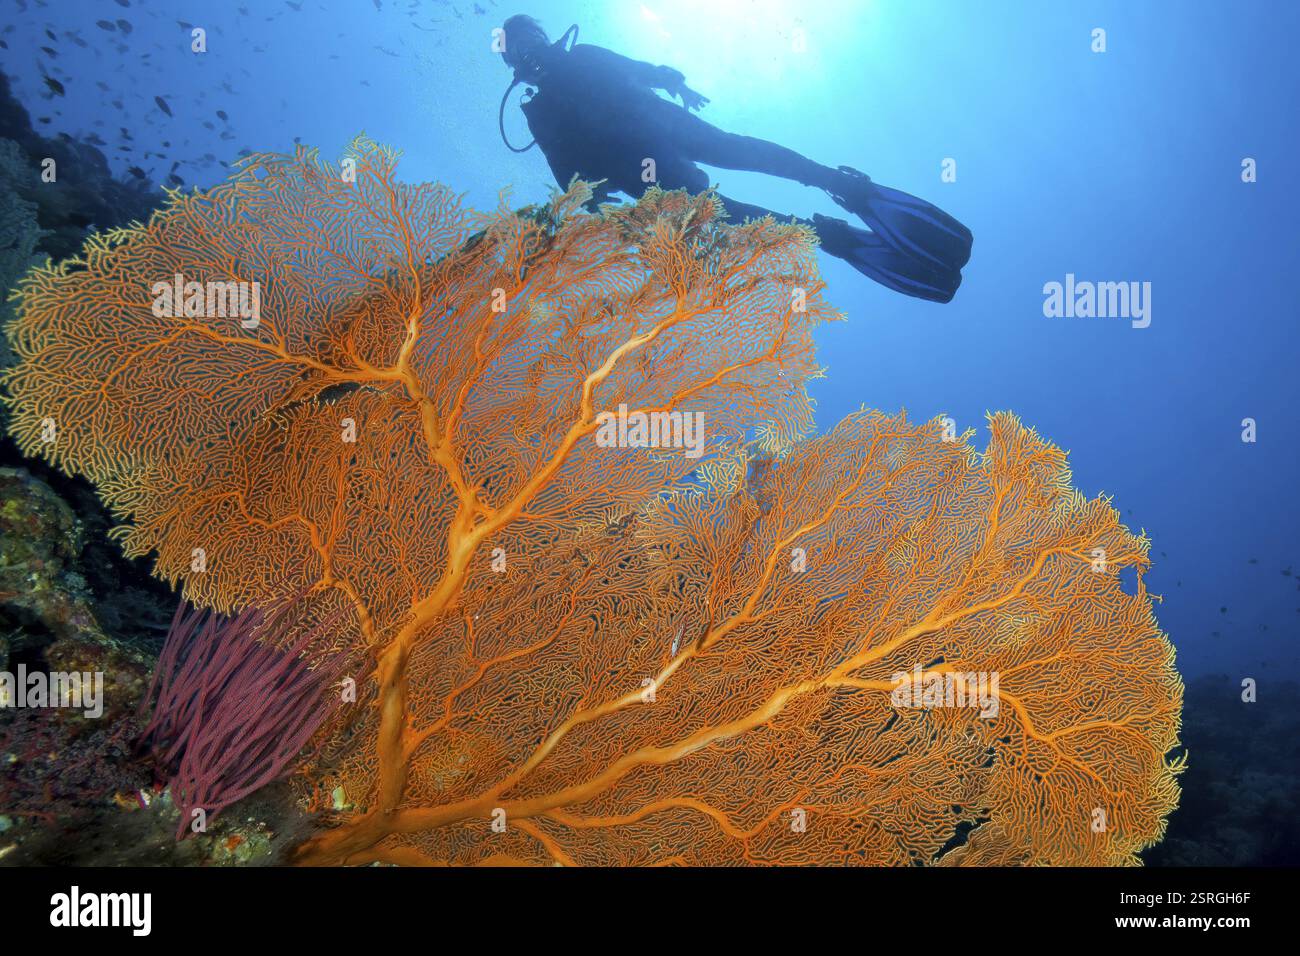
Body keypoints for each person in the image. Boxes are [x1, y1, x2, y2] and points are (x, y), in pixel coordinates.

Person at [497, 15, 973, 303]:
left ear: (542, 37)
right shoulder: (537, 111)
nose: (528, 50)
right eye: (517, 49)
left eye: (530, 38)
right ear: (513, 65)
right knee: (724, 214)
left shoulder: (582, 56)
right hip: (651, 175)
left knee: (740, 151)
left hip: (662, 125)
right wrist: (593, 201)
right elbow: (567, 176)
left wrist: (672, 80)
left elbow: (635, 70)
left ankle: (839, 185)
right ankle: (824, 232)